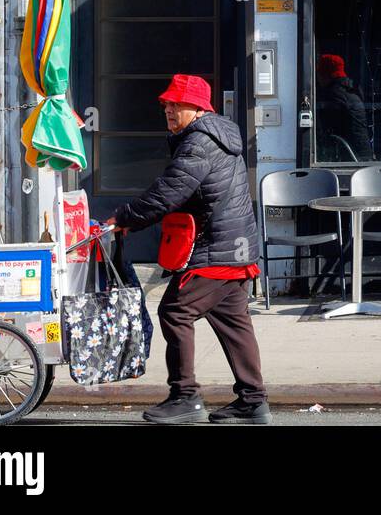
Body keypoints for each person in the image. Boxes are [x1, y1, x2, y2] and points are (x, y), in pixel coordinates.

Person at [105, 74, 269, 425]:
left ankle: (185, 397)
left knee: (175, 312)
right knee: (234, 322)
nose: (168, 108)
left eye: (176, 103)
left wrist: (124, 217)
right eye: (166, 103)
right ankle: (253, 402)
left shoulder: (199, 142)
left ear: (198, 107)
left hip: (217, 250)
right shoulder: (214, 134)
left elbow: (169, 192)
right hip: (235, 247)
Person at [316, 53, 374, 161]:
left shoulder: (333, 94)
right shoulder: (351, 90)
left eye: (319, 74)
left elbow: (327, 129)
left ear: (326, 75)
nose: (318, 79)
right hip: (362, 153)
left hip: (350, 155)